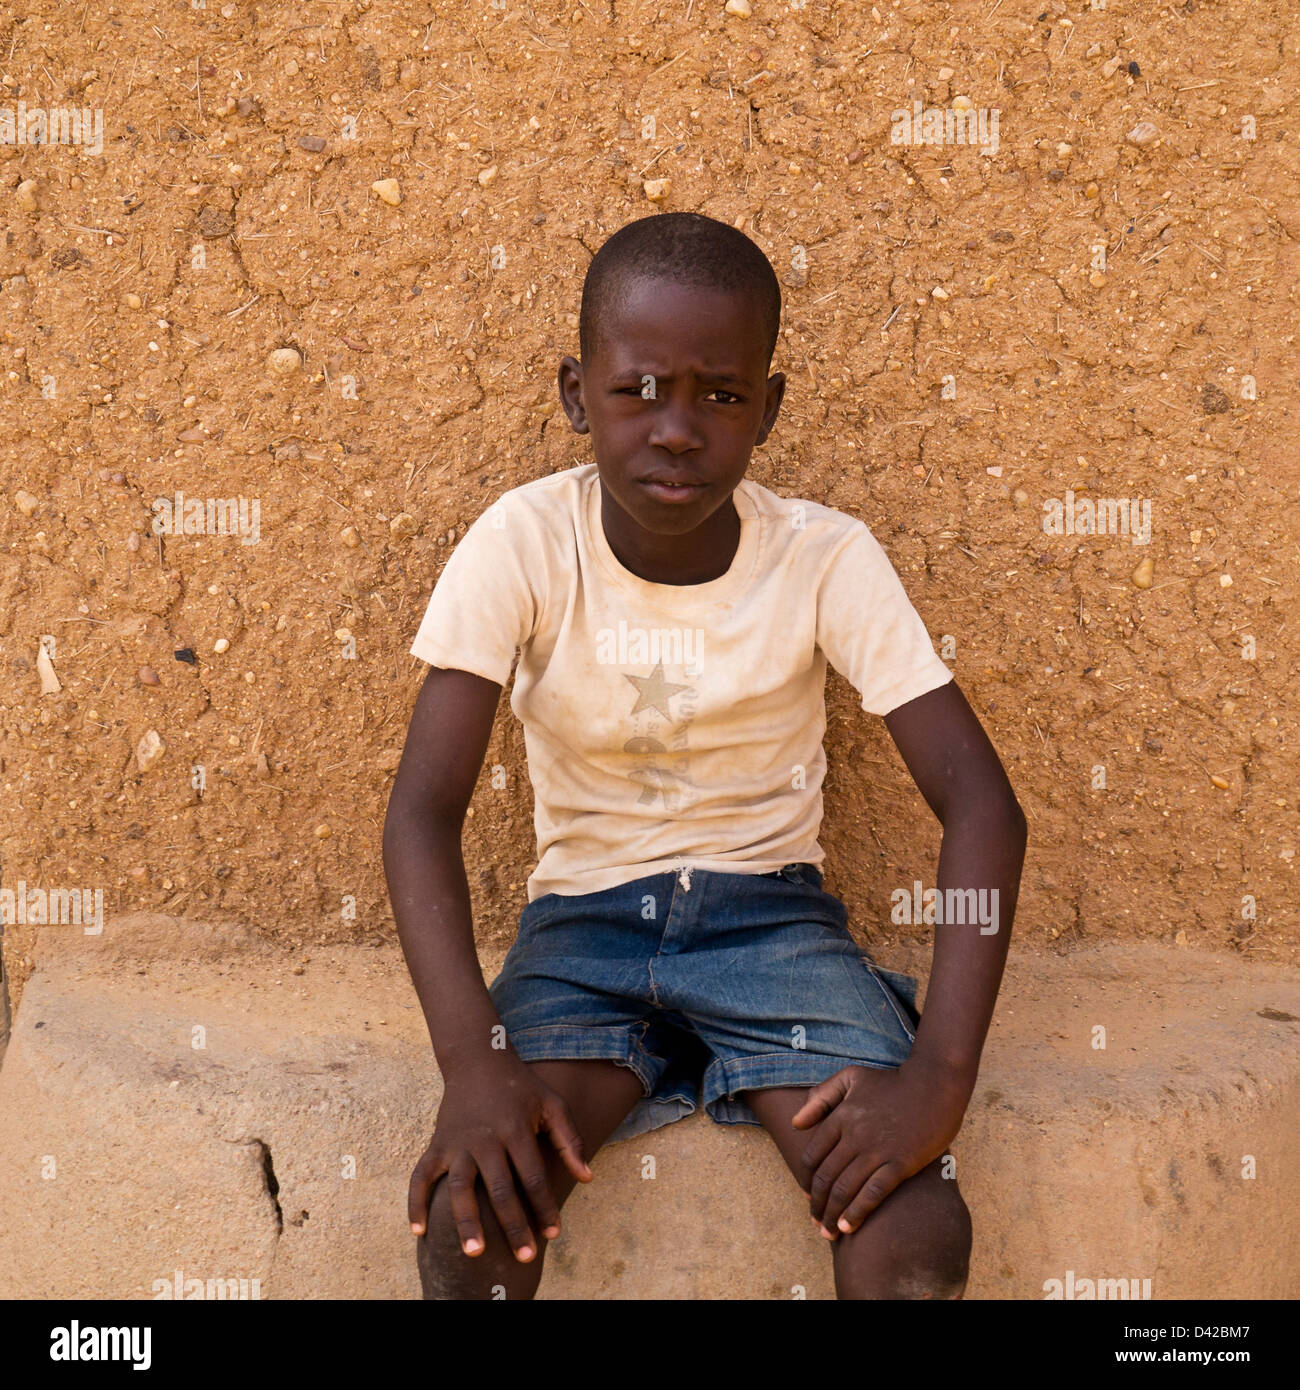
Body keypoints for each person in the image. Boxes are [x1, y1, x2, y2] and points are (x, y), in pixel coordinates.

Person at [383, 212, 1027, 1299]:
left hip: (769, 926)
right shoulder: (525, 541)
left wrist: (938, 1078)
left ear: (767, 408)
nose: (675, 428)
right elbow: (419, 811)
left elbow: (982, 810)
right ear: (575, 393)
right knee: (471, 1213)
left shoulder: (823, 558)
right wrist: (473, 1061)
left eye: (720, 395)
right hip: (583, 927)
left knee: (910, 1227)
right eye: (637, 388)